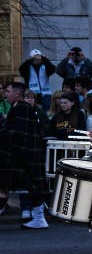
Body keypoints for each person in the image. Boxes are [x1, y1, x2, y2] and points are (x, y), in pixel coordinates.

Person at [0, 82, 49, 229]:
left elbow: (16, 133)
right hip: (24, 154)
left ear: (17, 94)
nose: (6, 93)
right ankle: (39, 217)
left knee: (30, 184)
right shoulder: (20, 108)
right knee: (27, 184)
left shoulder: (21, 108)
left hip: (24, 155)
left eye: (8, 91)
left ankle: (39, 217)